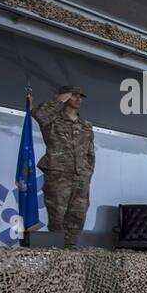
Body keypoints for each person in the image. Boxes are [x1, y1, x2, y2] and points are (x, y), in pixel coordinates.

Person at [34, 85, 95, 248]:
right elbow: (38, 113)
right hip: (58, 175)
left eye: (80, 96)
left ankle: (71, 251)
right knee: (57, 216)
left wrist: (87, 174)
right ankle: (57, 253)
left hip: (81, 176)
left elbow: (90, 153)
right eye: (74, 95)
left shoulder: (86, 125)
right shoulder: (51, 119)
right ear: (65, 97)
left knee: (78, 215)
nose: (78, 99)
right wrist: (57, 100)